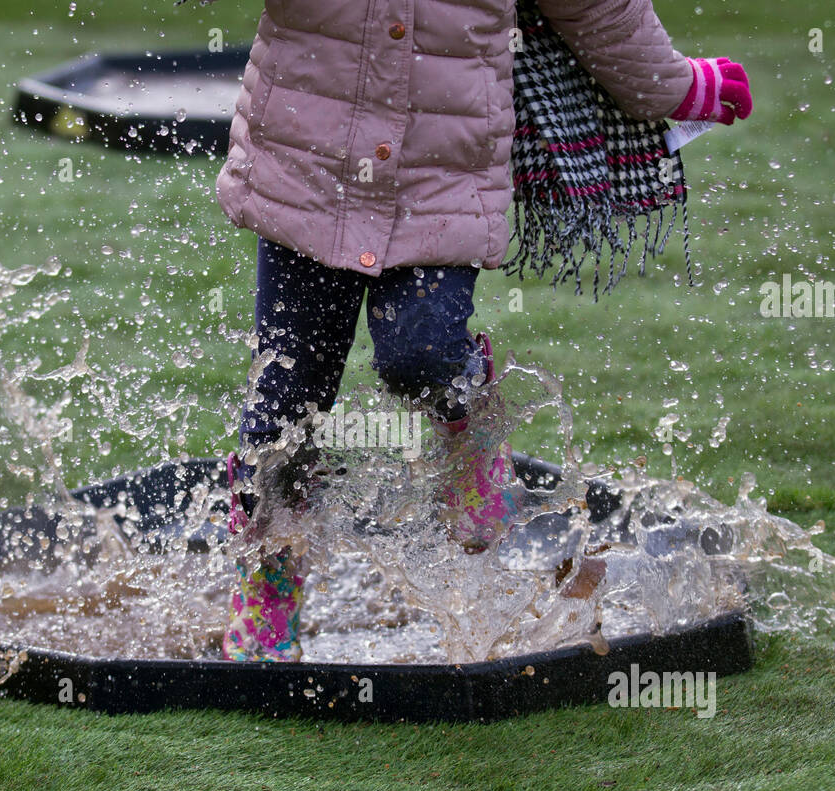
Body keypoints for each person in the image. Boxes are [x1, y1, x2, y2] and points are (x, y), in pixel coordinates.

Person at [210, 0, 752, 662]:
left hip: (438, 184)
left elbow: (600, 10)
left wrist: (679, 86)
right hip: (303, 170)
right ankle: (270, 575)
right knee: (286, 403)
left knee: (421, 355)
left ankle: (471, 421)